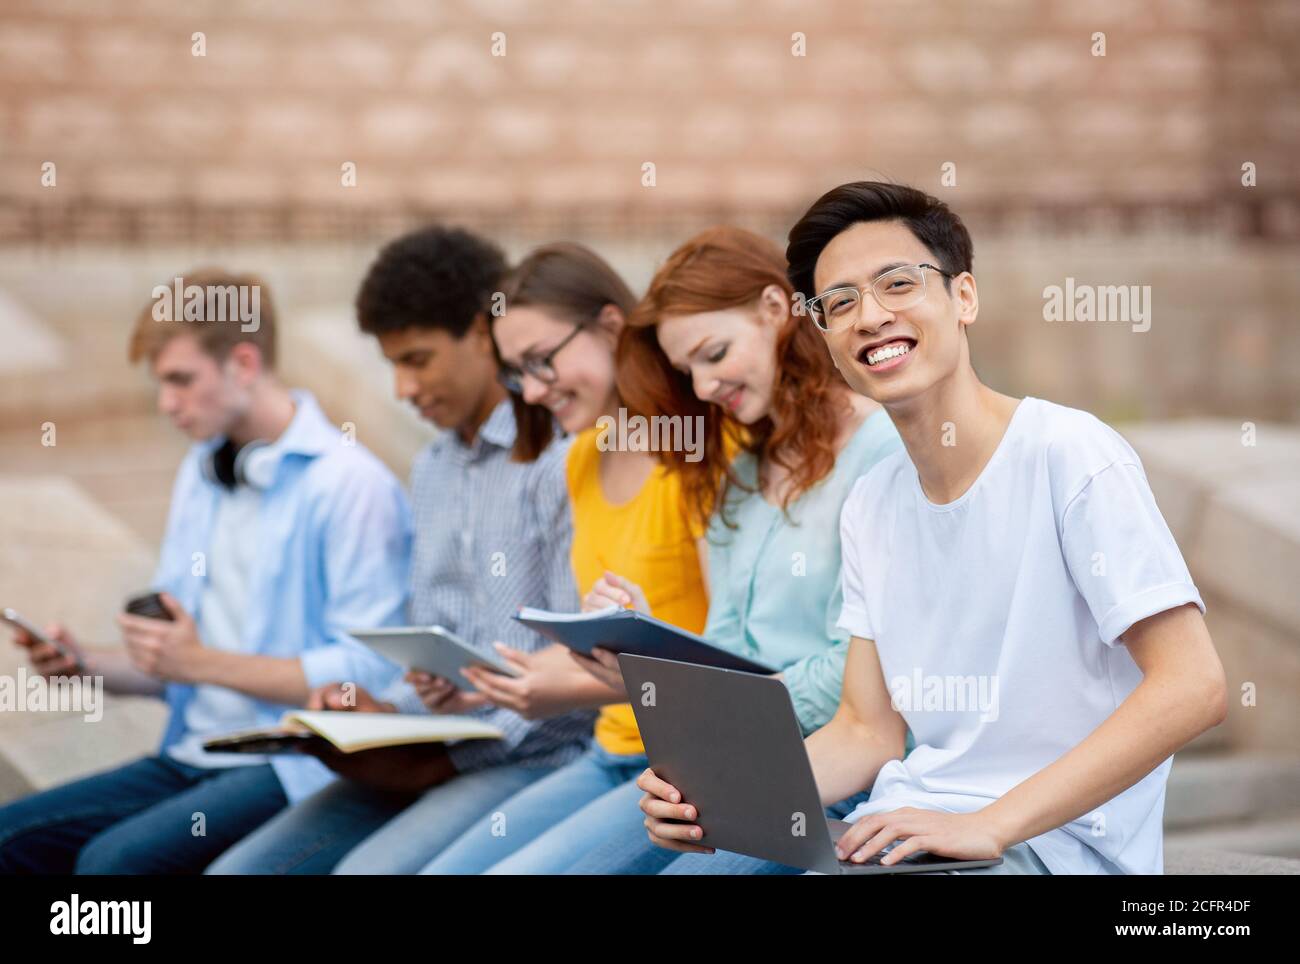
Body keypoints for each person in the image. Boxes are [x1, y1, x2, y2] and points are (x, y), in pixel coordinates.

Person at [638, 181, 1228, 875]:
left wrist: (990, 823)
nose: (870, 316)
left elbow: (1195, 686)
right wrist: (714, 795)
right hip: (903, 827)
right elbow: (866, 729)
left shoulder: (1069, 454)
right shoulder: (874, 500)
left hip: (1048, 845)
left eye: (897, 283)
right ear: (823, 336)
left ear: (964, 298)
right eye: (840, 304)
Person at [206, 227, 595, 875]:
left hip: (533, 759)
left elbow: (579, 680)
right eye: (392, 364)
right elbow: (437, 651)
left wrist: (431, 761)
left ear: (482, 333)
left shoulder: (558, 459)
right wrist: (381, 712)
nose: (401, 389)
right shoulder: (434, 469)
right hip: (430, 748)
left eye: (416, 359)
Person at [0, 269, 411, 874]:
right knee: (11, 838)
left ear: (243, 363)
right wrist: (88, 666)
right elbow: (177, 665)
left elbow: (371, 671)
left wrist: (202, 664)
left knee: (113, 867)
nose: (167, 404)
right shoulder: (203, 471)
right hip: (191, 754)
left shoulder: (352, 485)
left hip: (290, 764)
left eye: (180, 380)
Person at [564, 226, 905, 875]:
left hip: (842, 768)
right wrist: (646, 650)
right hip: (728, 759)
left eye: (714, 353)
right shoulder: (741, 475)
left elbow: (870, 670)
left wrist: (750, 709)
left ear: (776, 310)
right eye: (689, 370)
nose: (702, 387)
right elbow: (729, 643)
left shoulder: (882, 453)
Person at [417, 242, 712, 875]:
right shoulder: (580, 459)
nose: (536, 390)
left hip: (693, 762)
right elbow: (602, 645)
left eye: (543, 361)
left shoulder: (702, 450)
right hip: (613, 752)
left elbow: (729, 652)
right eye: (519, 373)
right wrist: (480, 685)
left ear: (610, 325)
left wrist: (550, 692)